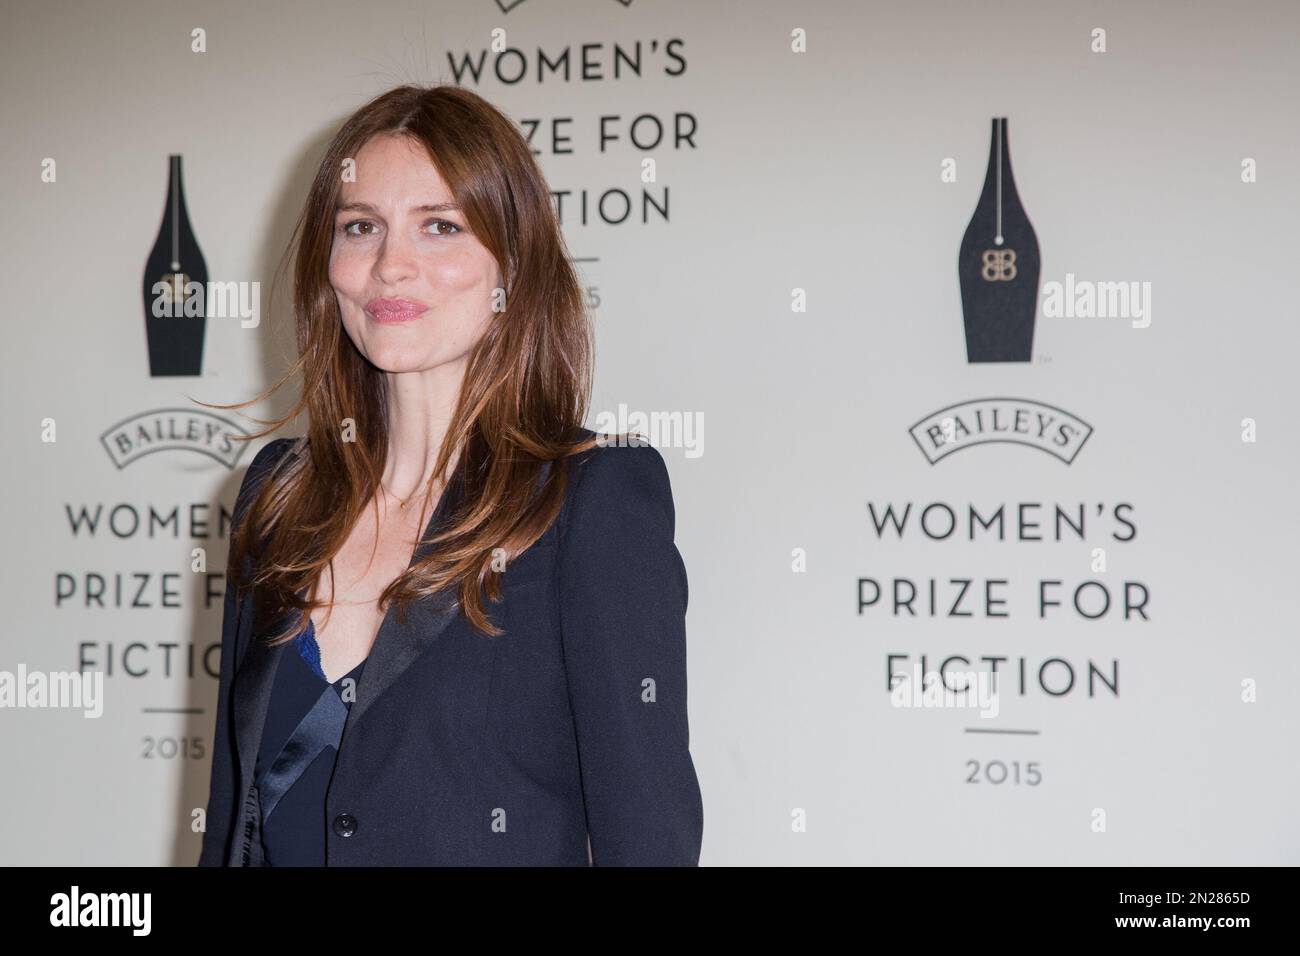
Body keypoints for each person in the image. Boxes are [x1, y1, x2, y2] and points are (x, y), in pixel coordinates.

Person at [196, 84, 703, 866]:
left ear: (511, 266)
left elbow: (649, 840)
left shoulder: (591, 500)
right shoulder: (279, 493)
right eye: (361, 227)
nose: (391, 266)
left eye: (441, 227)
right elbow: (232, 818)